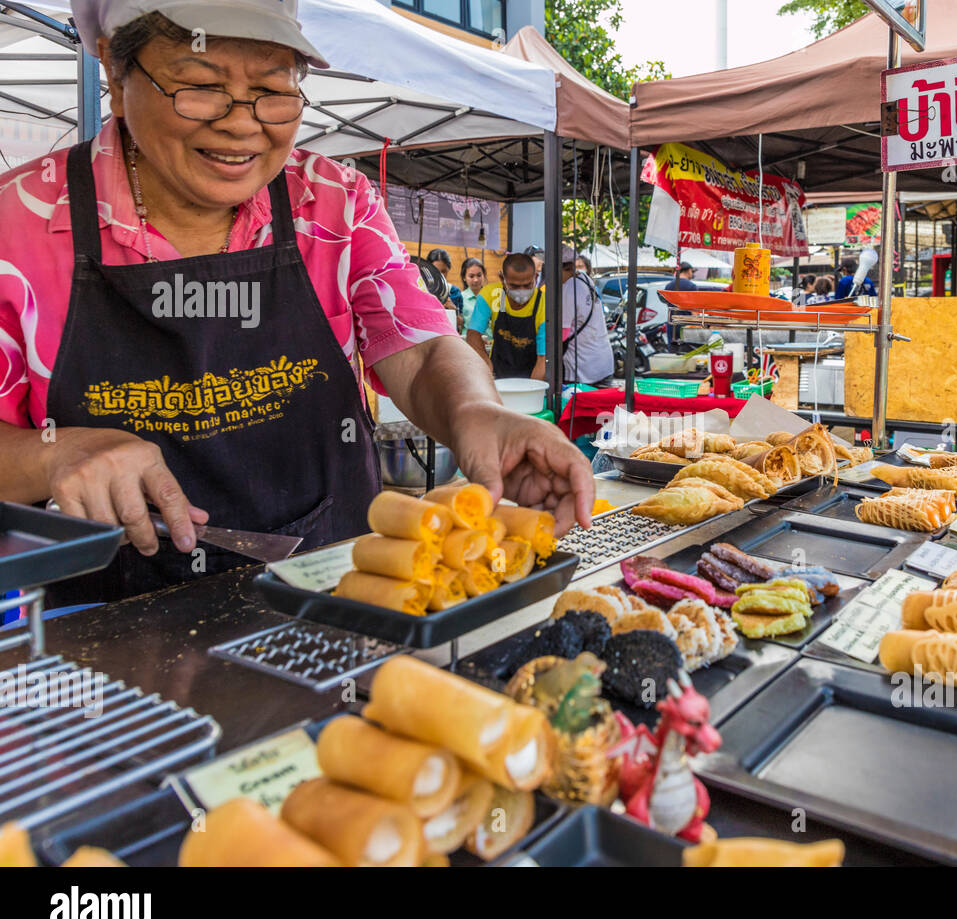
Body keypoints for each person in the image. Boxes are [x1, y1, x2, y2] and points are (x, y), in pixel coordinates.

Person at [0, 0, 592, 606]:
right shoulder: (15, 224)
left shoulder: (336, 202)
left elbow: (419, 347)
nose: (240, 123)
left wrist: (476, 411)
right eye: (201, 87)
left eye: (272, 89)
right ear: (115, 75)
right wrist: (52, 453)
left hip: (335, 600)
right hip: (107, 635)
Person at [466, 253, 547, 380]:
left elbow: (543, 360)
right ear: (502, 278)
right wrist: (486, 365)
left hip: (532, 375)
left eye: (527, 285)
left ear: (536, 277)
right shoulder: (492, 295)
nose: (522, 291)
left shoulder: (544, 304)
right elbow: (473, 334)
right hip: (498, 373)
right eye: (514, 286)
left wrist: (532, 390)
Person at [559, 246, 614, 385]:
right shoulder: (584, 278)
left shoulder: (569, 287)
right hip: (602, 363)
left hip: (583, 369)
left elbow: (562, 334)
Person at [427, 248, 463, 327]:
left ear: (448, 269)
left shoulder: (454, 292)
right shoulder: (421, 290)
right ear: (428, 269)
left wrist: (454, 312)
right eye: (435, 270)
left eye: (443, 271)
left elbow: (460, 324)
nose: (440, 275)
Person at [460, 256, 487, 337]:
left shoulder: (491, 296)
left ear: (484, 275)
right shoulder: (460, 298)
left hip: (489, 344)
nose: (476, 280)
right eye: (471, 276)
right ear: (464, 278)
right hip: (467, 344)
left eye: (479, 275)